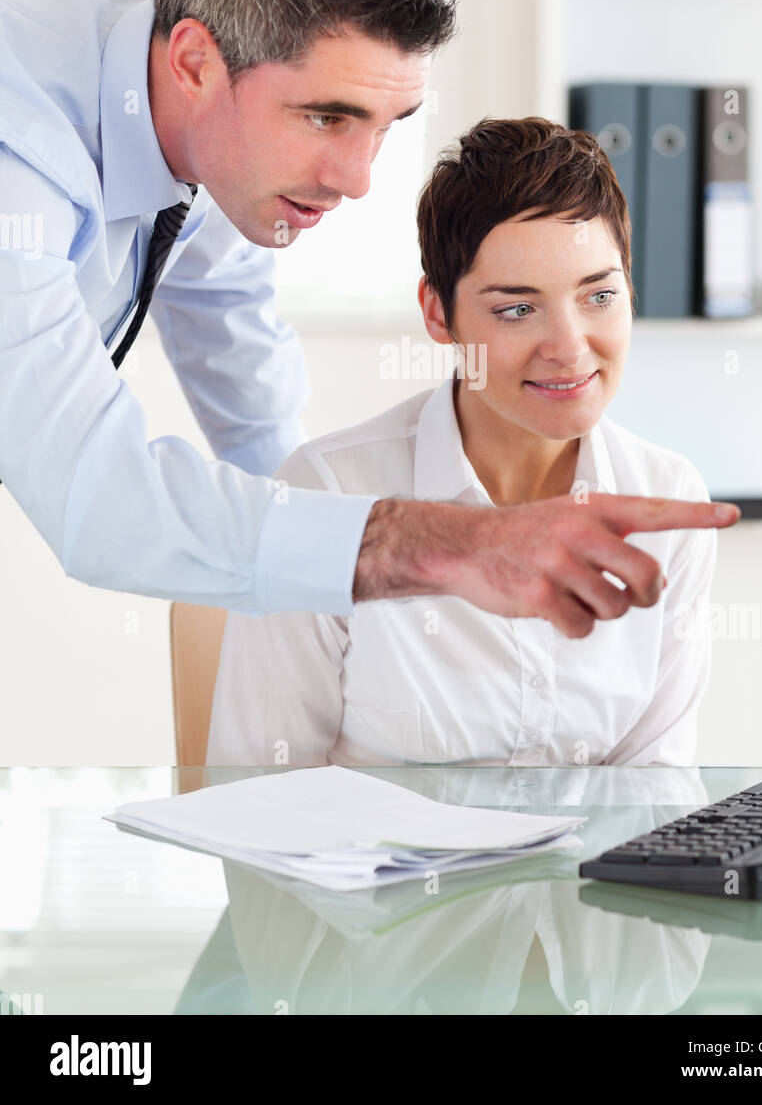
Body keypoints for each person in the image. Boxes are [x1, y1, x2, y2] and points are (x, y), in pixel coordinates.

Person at [0, 0, 735, 642]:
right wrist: (444, 546)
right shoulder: (24, 147)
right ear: (193, 63)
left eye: (386, 125)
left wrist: (316, 546)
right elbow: (96, 501)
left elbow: (225, 310)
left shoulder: (196, 31)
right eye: (326, 117)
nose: (357, 180)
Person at [207, 119, 723, 767]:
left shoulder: (667, 502)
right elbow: (258, 804)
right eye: (517, 309)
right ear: (438, 313)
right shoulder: (327, 493)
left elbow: (657, 798)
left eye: (599, 295)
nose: (569, 347)